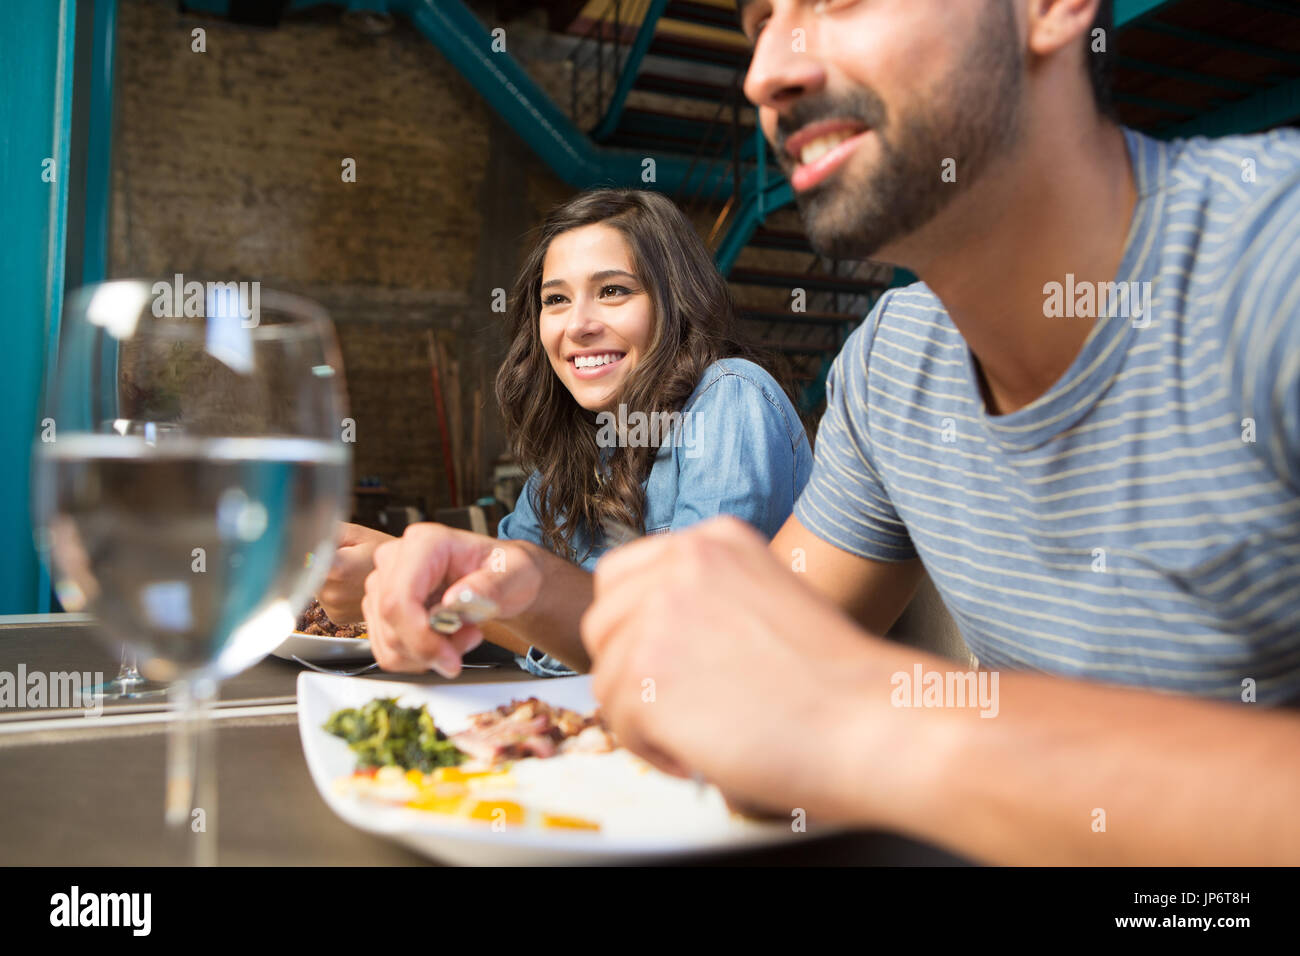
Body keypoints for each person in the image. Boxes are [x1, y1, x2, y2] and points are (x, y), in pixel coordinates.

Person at [366, 0, 1300, 864]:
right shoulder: (890, 368)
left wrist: (870, 721)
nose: (767, 69)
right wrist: (521, 586)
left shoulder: (1274, 261)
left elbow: (829, 708)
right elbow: (732, 673)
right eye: (761, 19)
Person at [325, 189, 812, 676]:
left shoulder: (730, 398)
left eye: (613, 291)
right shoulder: (581, 446)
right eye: (556, 299)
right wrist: (420, 595)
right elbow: (506, 607)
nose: (578, 325)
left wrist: (418, 579)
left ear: (676, 302)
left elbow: (679, 639)